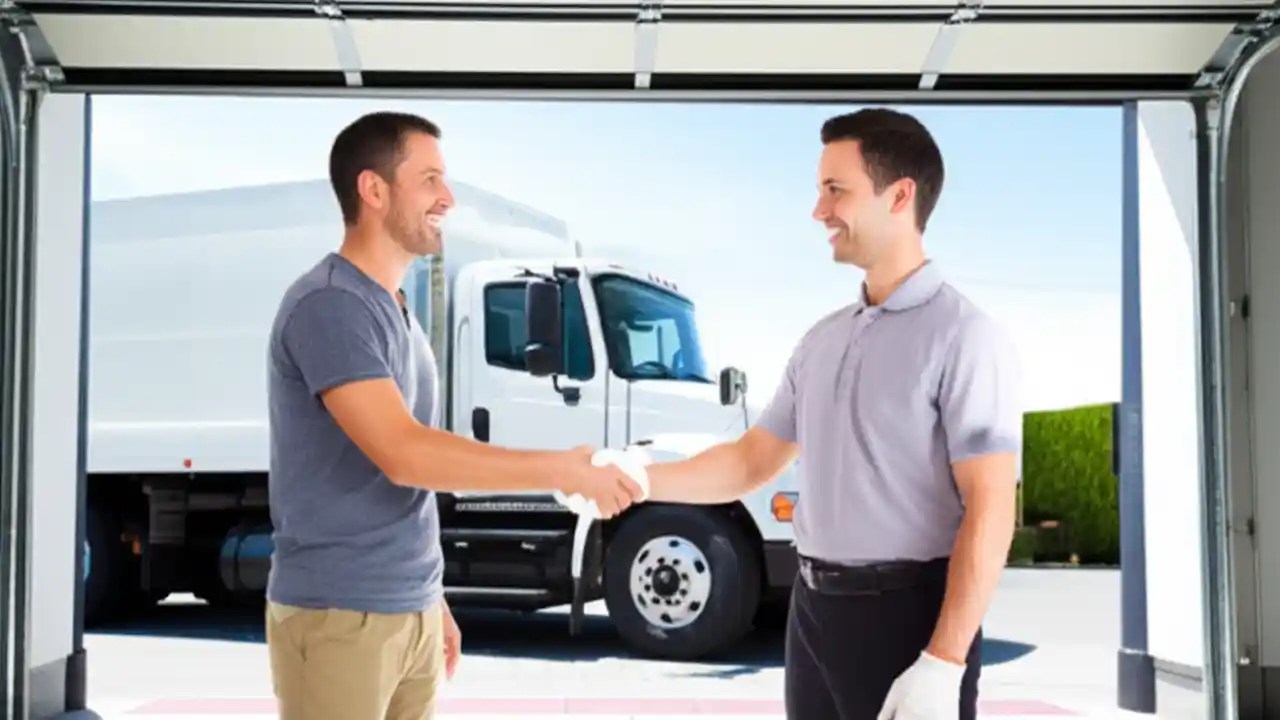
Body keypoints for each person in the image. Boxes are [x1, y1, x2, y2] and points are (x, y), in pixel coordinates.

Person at [263, 111, 646, 720]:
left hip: (402, 608)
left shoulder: (392, 309)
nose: (449, 197)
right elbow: (405, 454)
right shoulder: (332, 305)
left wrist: (429, 599)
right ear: (374, 189)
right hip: (341, 615)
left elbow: (403, 486)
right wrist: (561, 471)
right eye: (431, 179)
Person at [642, 107, 1022, 719]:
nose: (819, 211)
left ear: (900, 196)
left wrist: (944, 662)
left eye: (835, 190)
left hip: (909, 617)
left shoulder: (965, 337)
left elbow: (992, 507)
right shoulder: (821, 340)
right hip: (813, 611)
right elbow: (749, 462)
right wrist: (637, 480)